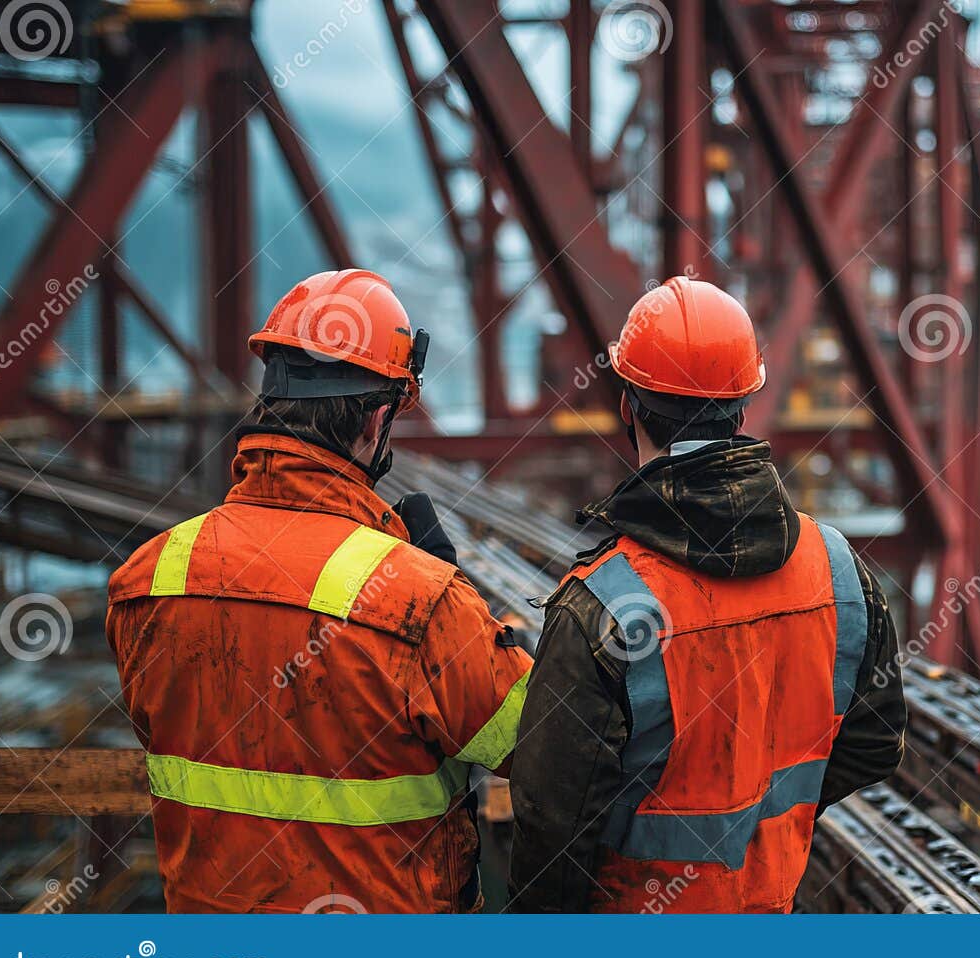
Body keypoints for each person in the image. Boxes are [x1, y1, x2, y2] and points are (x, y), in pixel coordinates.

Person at [107, 269, 532, 913]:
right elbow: (540, 741)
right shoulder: (421, 601)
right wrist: (471, 612)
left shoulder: (147, 579)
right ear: (378, 419)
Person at [507, 275, 907, 913]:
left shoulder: (604, 603)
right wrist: (762, 828)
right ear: (744, 406)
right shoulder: (838, 569)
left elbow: (552, 821)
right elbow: (876, 742)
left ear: (629, 406)